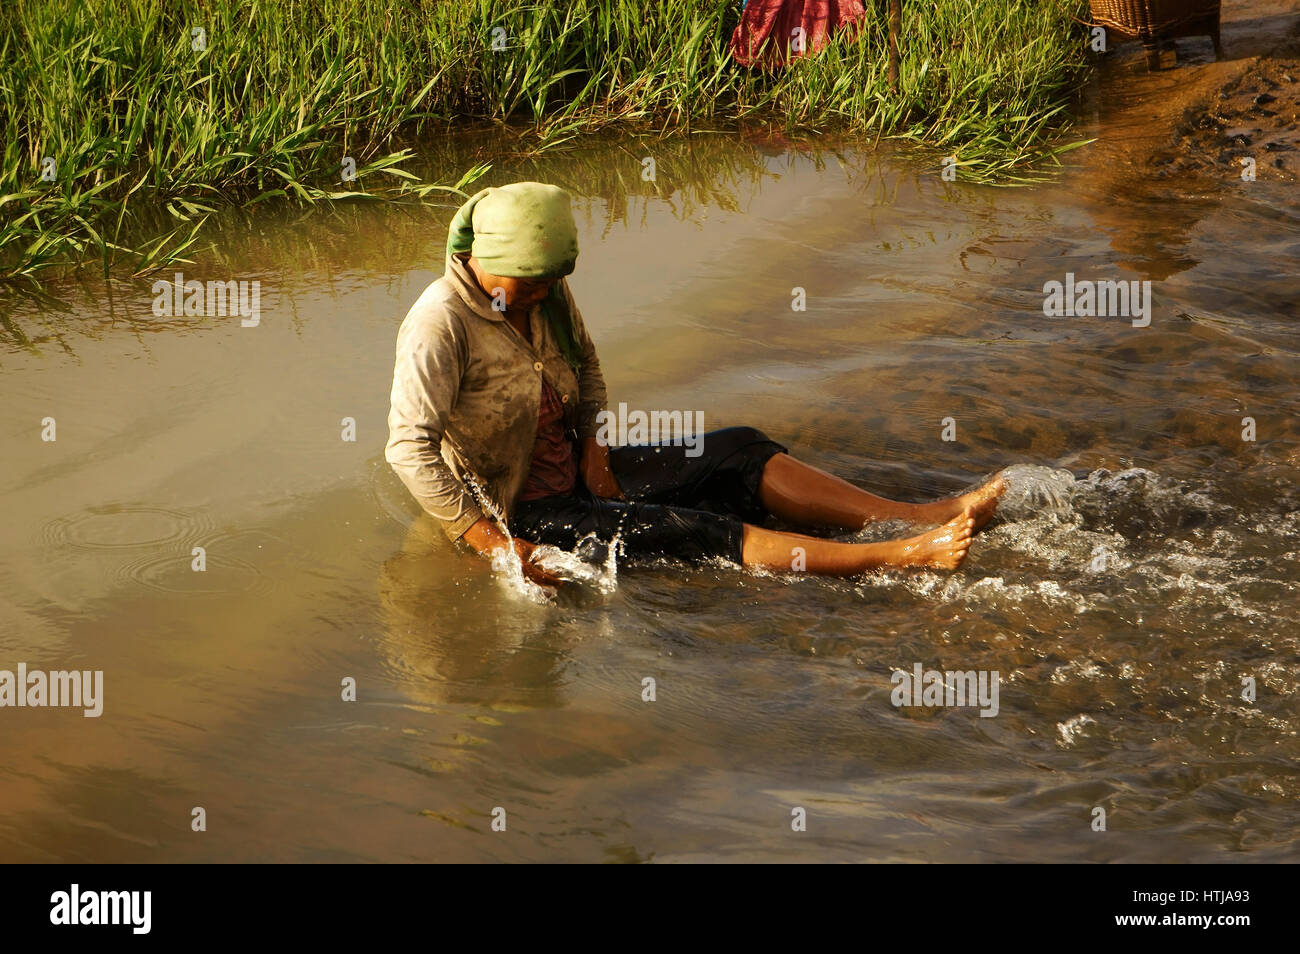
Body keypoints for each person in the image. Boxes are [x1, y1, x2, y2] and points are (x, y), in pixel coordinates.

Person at [386, 181, 1004, 589]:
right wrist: (497, 546)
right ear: (491, 261)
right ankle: (900, 555)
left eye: (554, 279)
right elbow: (408, 449)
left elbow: (590, 372)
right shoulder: (439, 322)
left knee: (739, 448)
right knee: (696, 530)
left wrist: (597, 456)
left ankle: (915, 515)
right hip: (525, 507)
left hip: (577, 474)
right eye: (534, 282)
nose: (547, 292)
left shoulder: (546, 291)